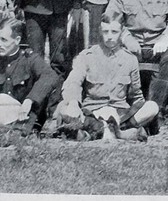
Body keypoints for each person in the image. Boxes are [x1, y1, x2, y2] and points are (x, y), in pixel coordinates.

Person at [55, 12, 158, 140]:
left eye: (114, 32)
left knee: (152, 107)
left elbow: (136, 95)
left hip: (120, 112)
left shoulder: (130, 60)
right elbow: (73, 82)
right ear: (100, 31)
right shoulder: (87, 56)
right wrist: (74, 103)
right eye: (105, 31)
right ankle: (118, 132)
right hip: (92, 110)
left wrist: (144, 114)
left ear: (122, 32)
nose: (109, 36)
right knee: (65, 109)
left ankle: (100, 131)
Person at [0, 19, 61, 143]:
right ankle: (0, 130)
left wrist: (29, 100)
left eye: (4, 40)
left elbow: (50, 76)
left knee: (39, 101)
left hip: (23, 115)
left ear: (17, 40)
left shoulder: (30, 59)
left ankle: (9, 132)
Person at [105, 0, 168, 112]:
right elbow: (110, 21)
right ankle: (128, 107)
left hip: (159, 44)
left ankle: (156, 110)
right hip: (132, 45)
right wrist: (126, 38)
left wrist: (166, 38)